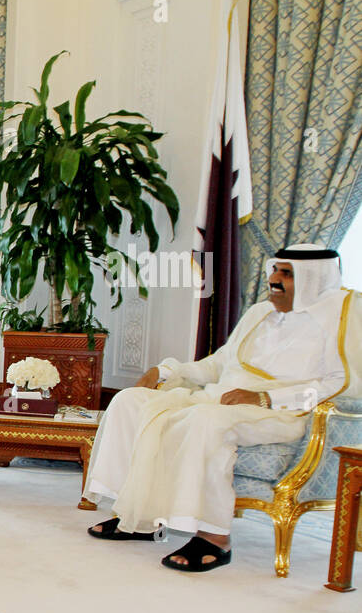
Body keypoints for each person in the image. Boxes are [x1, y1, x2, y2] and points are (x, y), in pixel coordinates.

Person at [84, 244, 352, 571]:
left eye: (287, 274)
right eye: (274, 270)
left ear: (314, 279)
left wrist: (266, 398)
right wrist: (166, 371)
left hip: (283, 412)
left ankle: (214, 537)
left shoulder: (343, 319)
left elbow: (338, 385)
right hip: (222, 399)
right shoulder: (259, 313)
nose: (274, 280)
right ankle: (137, 518)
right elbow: (219, 363)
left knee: (208, 420)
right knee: (130, 401)